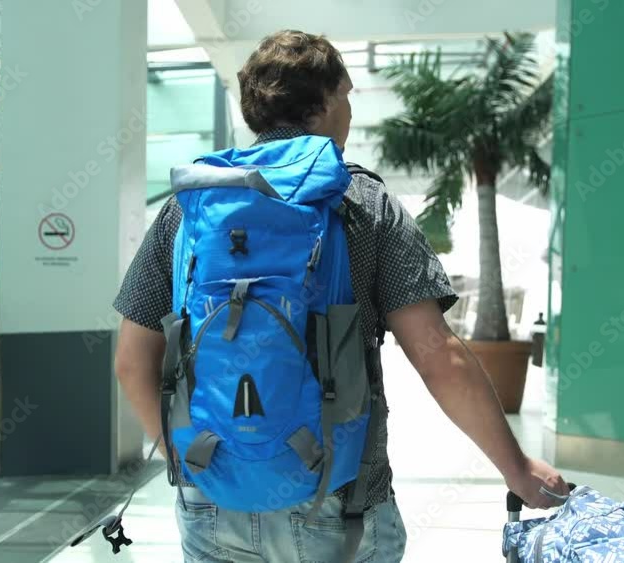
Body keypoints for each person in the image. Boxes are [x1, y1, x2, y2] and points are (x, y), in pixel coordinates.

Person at [113, 30, 567, 563]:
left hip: (212, 498)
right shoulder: (363, 202)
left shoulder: (189, 209)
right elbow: (438, 356)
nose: (350, 111)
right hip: (336, 499)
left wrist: (191, 465)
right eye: (347, 95)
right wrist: (517, 467)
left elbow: (130, 362)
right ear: (324, 102)